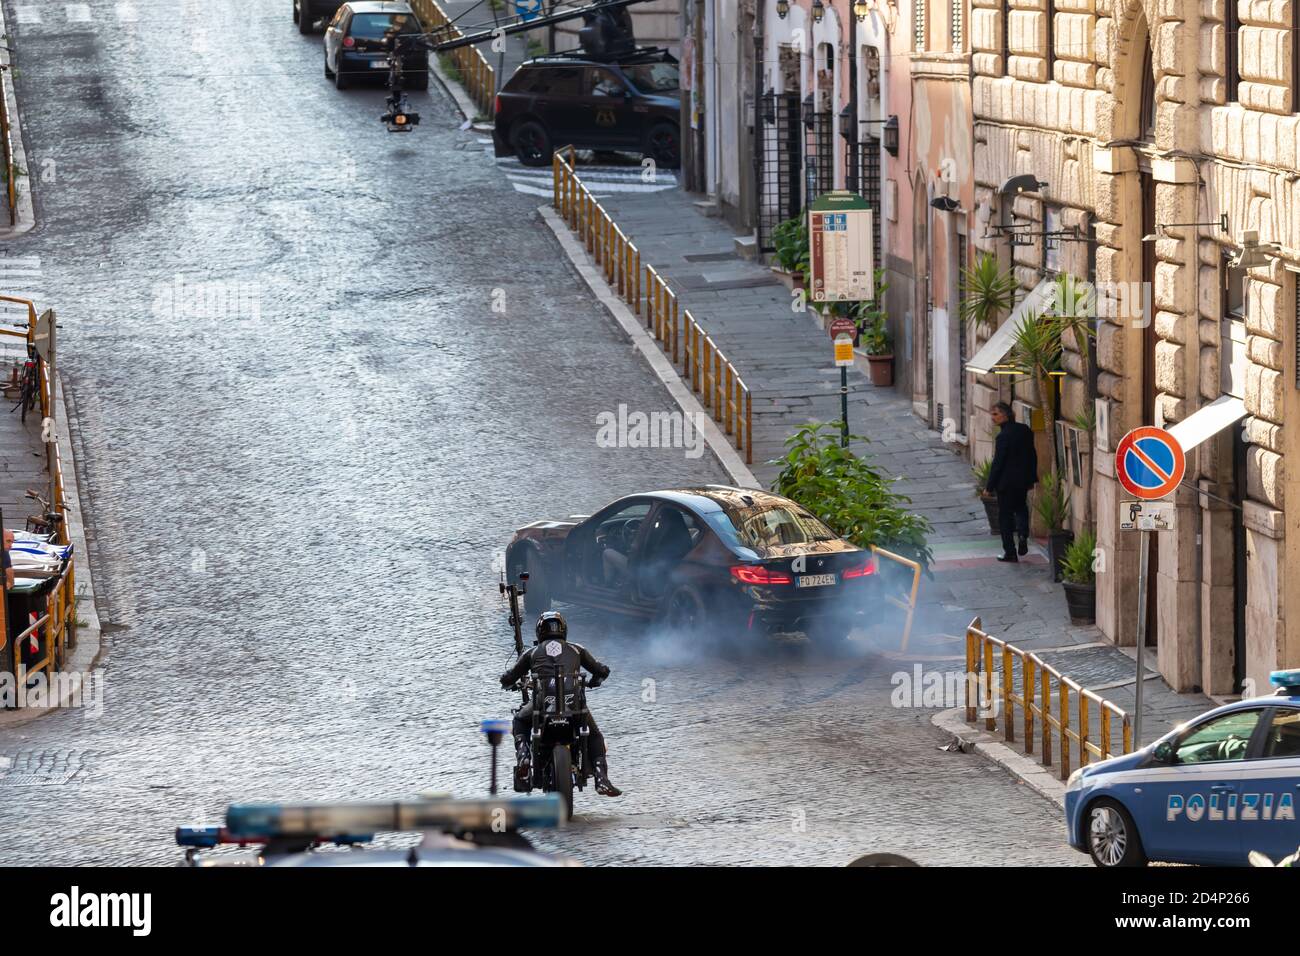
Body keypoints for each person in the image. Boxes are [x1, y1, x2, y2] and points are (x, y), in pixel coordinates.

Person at [499, 611, 622, 797]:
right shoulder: (577, 649)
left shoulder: (531, 653)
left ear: (539, 632)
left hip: (542, 706)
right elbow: (602, 670)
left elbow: (509, 677)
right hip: (574, 706)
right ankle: (601, 777)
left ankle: (524, 756)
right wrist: (596, 680)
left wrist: (508, 683)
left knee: (518, 720)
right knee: (595, 735)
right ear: (564, 629)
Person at [986, 400, 1038, 562]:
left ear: (1006, 414)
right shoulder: (1025, 430)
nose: (992, 418)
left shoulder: (1003, 436)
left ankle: (1010, 552)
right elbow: (1032, 456)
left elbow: (998, 463)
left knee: (1005, 517)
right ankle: (1023, 534)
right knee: (1021, 508)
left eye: (995, 414)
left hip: (1006, 484)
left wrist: (989, 486)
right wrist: (1031, 478)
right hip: (1022, 481)